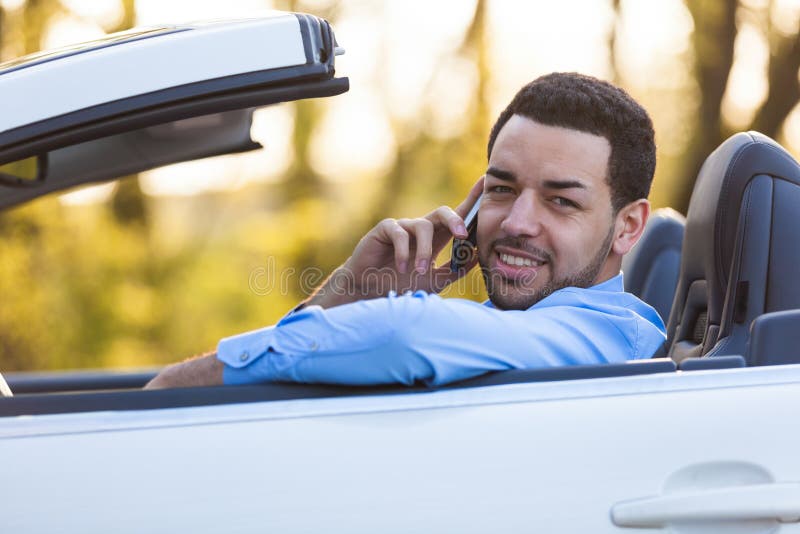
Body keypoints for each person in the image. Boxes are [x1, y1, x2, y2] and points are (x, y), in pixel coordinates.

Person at [145, 72, 666, 389]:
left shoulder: (604, 337)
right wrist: (349, 294)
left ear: (628, 226)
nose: (516, 223)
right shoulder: (506, 326)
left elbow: (402, 335)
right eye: (502, 190)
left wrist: (179, 384)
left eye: (561, 201)